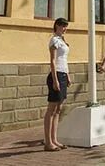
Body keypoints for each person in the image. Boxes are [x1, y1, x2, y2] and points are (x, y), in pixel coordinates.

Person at [44, 18, 70, 152]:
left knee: (58, 109)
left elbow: (64, 59)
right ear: (57, 26)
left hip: (63, 74)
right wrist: (55, 80)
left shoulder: (62, 41)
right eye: (63, 26)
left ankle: (54, 140)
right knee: (51, 109)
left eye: (66, 26)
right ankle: (48, 142)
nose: (65, 28)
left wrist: (68, 75)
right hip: (56, 75)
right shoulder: (54, 40)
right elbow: (53, 61)